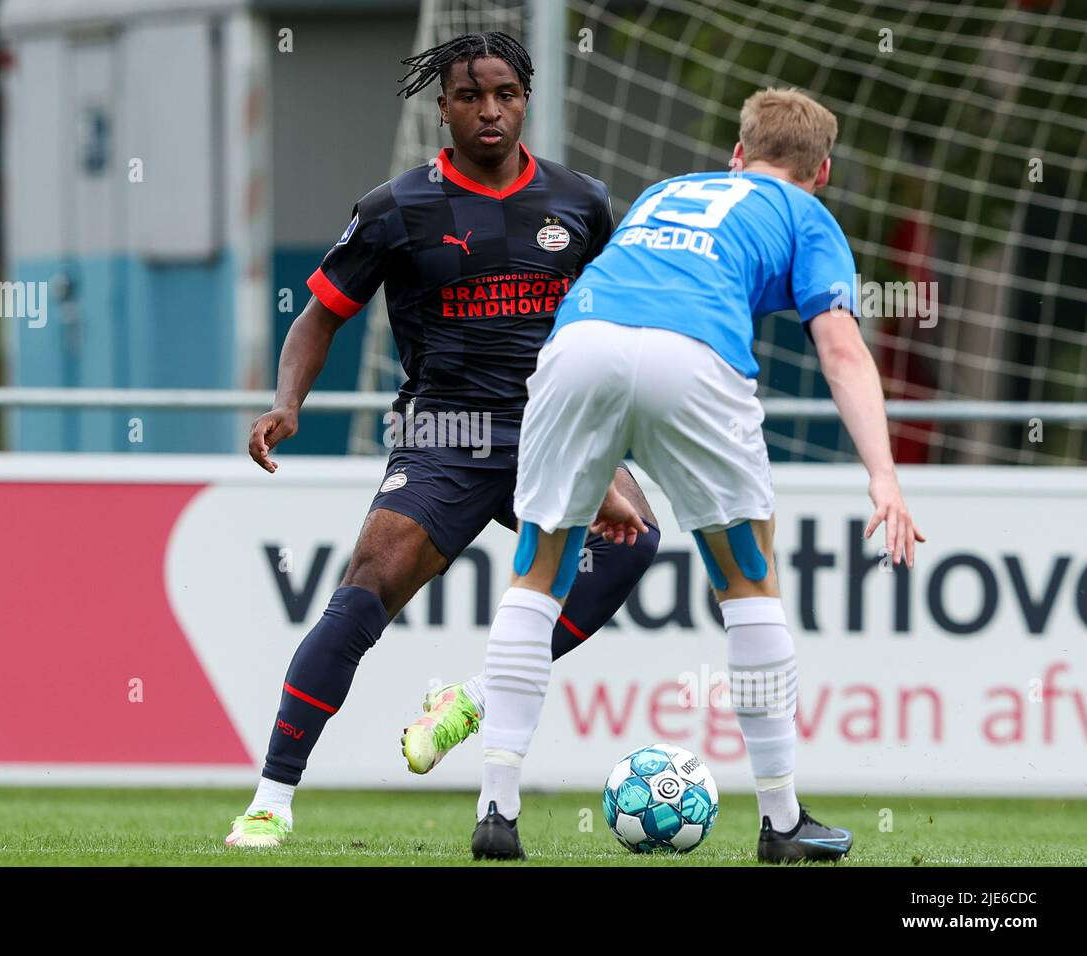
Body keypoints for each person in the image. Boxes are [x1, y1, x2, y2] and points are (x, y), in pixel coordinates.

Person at [467, 88, 926, 863]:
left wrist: (601, 464)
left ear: (738, 154)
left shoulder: (664, 192)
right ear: (823, 172)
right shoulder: (808, 214)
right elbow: (842, 348)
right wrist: (883, 475)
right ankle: (781, 823)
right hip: (696, 356)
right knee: (748, 585)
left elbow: (628, 323)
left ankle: (495, 811)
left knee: (536, 575)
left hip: (578, 343)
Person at [226, 32, 661, 849]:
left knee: (634, 544)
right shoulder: (396, 208)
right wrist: (288, 403)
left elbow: (619, 322)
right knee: (364, 590)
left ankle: (471, 701)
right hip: (444, 436)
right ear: (443, 109)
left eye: (504, 93)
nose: (489, 110)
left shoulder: (583, 202)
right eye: (470, 96)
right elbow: (320, 314)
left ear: (525, 99)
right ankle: (271, 799)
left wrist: (617, 438)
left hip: (554, 431)